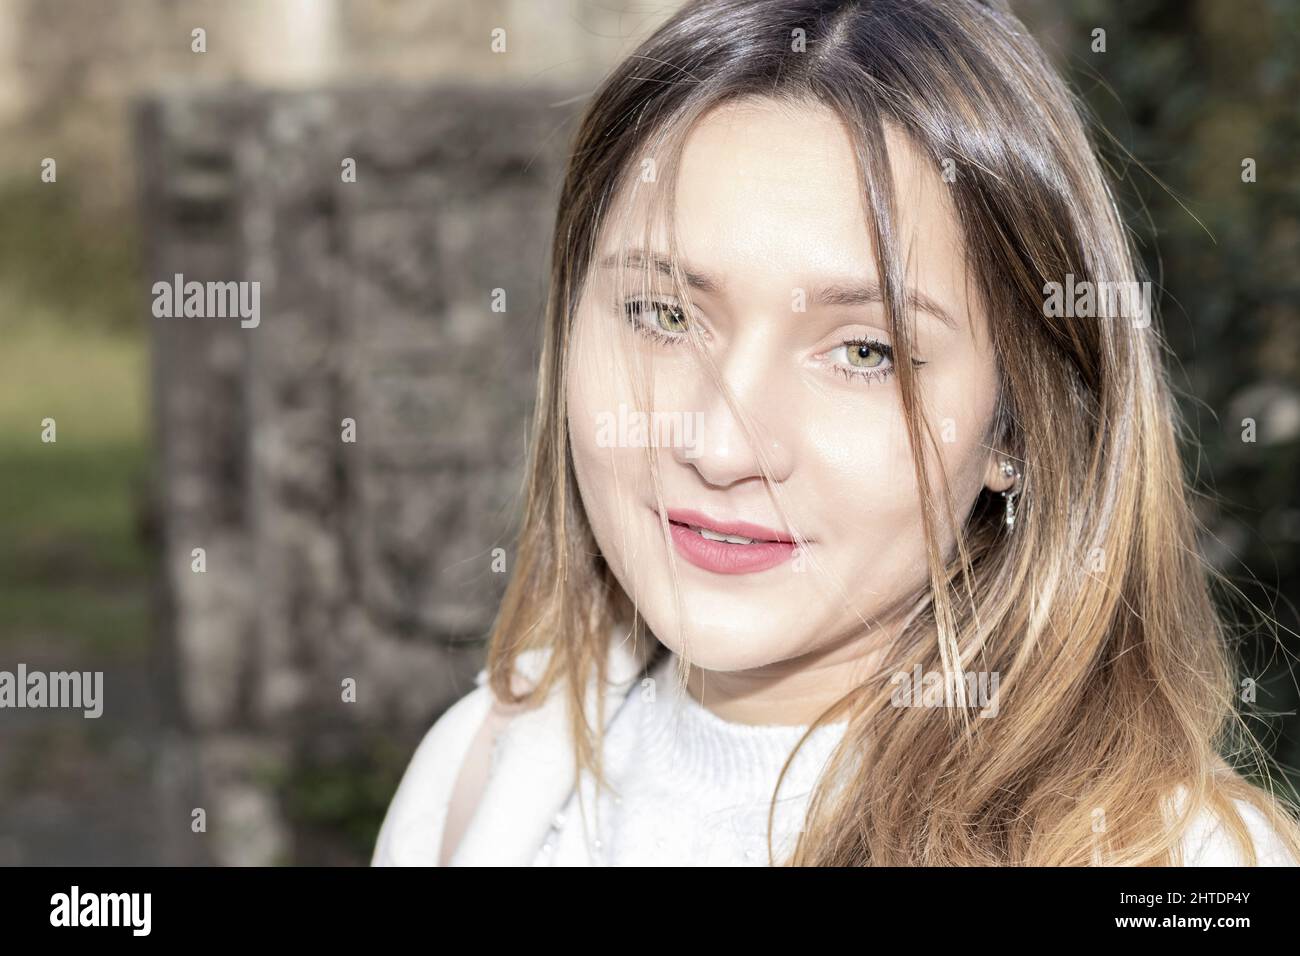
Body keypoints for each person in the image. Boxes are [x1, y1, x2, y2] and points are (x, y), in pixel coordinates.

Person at [374, 0, 1300, 866]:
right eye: (662, 313)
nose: (720, 446)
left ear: (1020, 425)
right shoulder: (479, 776)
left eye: (864, 352)